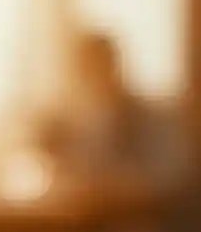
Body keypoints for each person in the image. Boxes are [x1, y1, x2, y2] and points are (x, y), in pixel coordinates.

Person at [35, 32, 181, 187]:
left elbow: (163, 176)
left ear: (113, 67)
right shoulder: (70, 120)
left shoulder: (145, 119)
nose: (93, 76)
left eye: (98, 66)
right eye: (87, 69)